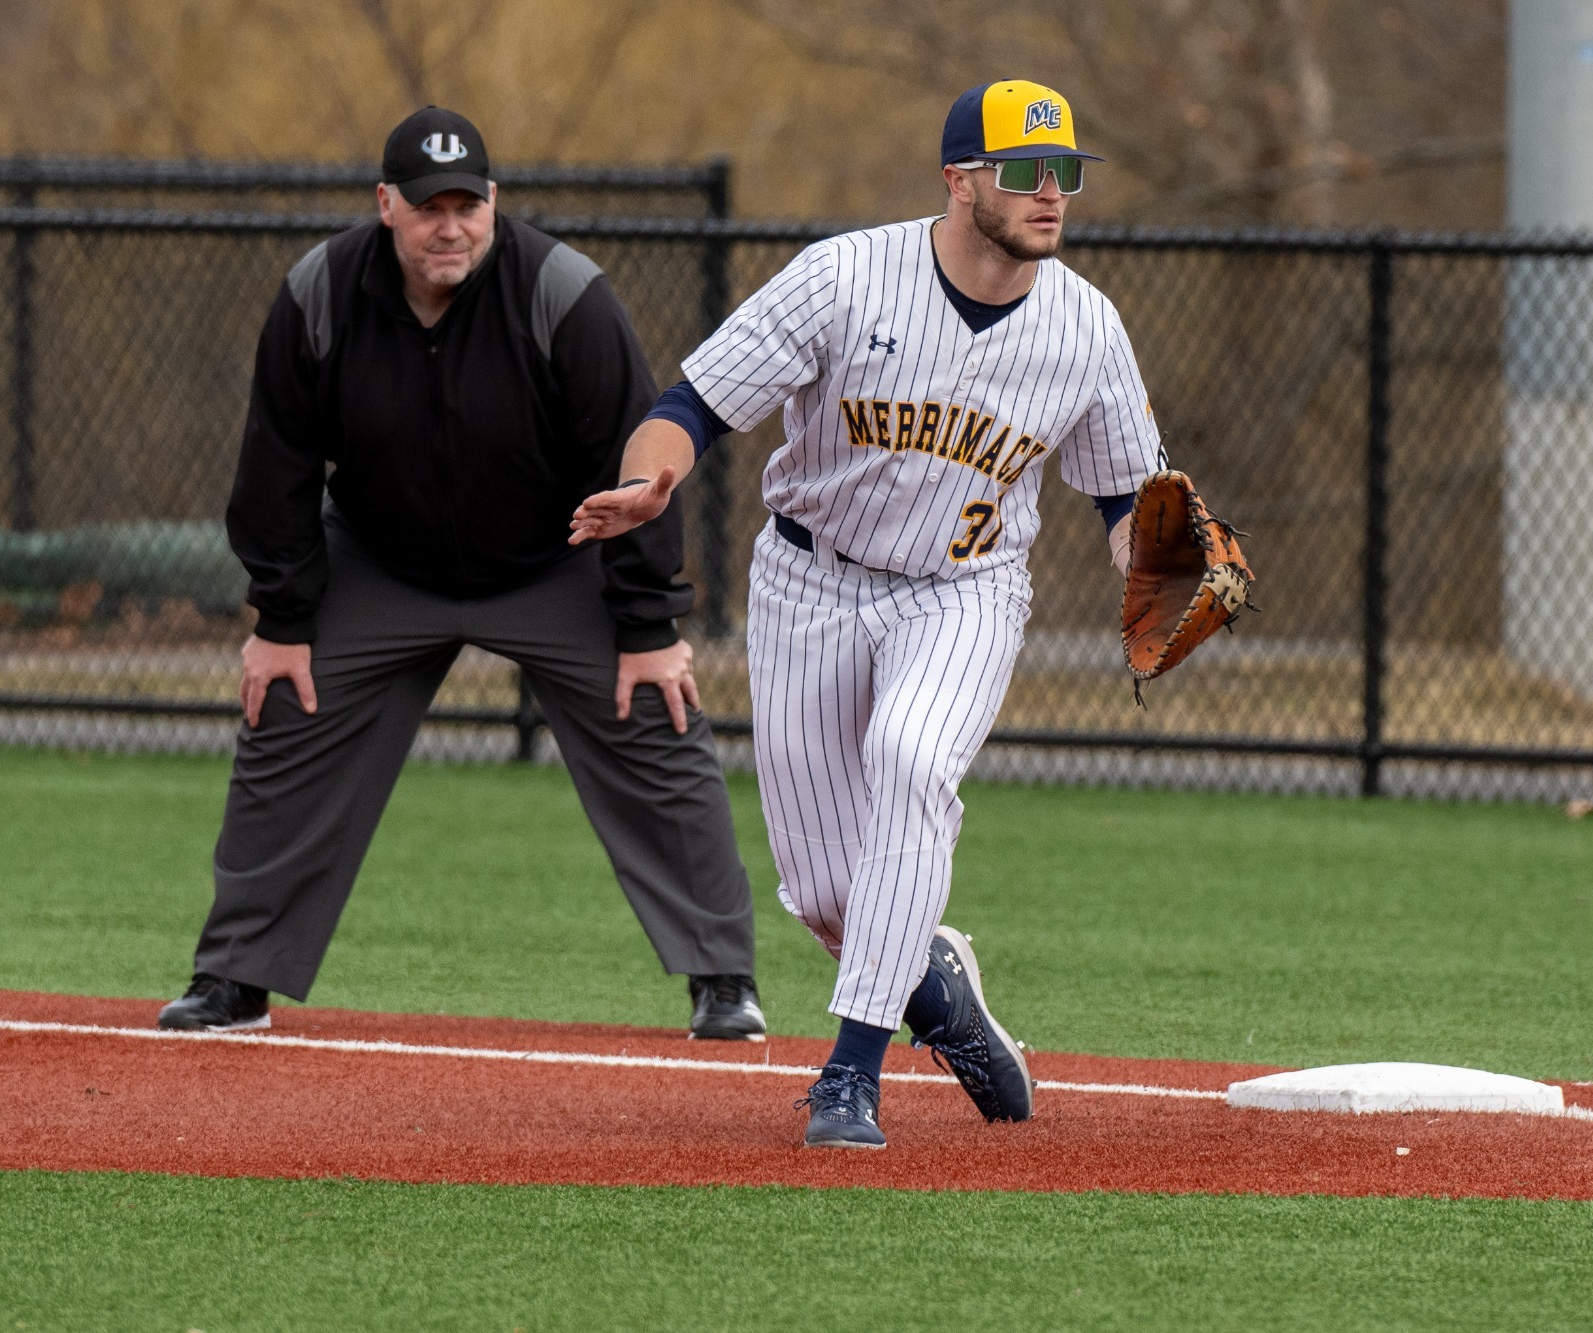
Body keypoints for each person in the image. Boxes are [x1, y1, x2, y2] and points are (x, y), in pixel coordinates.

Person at [571, 80, 1162, 1146]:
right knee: (821, 893)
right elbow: (691, 405)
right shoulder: (846, 278)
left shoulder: (1084, 324)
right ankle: (938, 993)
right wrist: (654, 481)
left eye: (1063, 172)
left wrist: (1153, 576)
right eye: (1023, 169)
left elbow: (1126, 493)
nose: (1048, 192)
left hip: (963, 587)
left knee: (911, 762)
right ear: (958, 178)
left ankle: (850, 1076)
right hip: (810, 580)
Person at [157, 107, 763, 1041]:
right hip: (380, 558)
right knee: (284, 704)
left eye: (466, 205)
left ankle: (722, 980)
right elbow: (274, 465)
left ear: (494, 203)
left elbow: (638, 463)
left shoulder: (564, 293)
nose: (449, 226)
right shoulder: (320, 292)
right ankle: (235, 977)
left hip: (555, 552)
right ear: (385, 205)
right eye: (427, 205)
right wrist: (282, 617)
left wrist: (648, 624)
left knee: (657, 709)